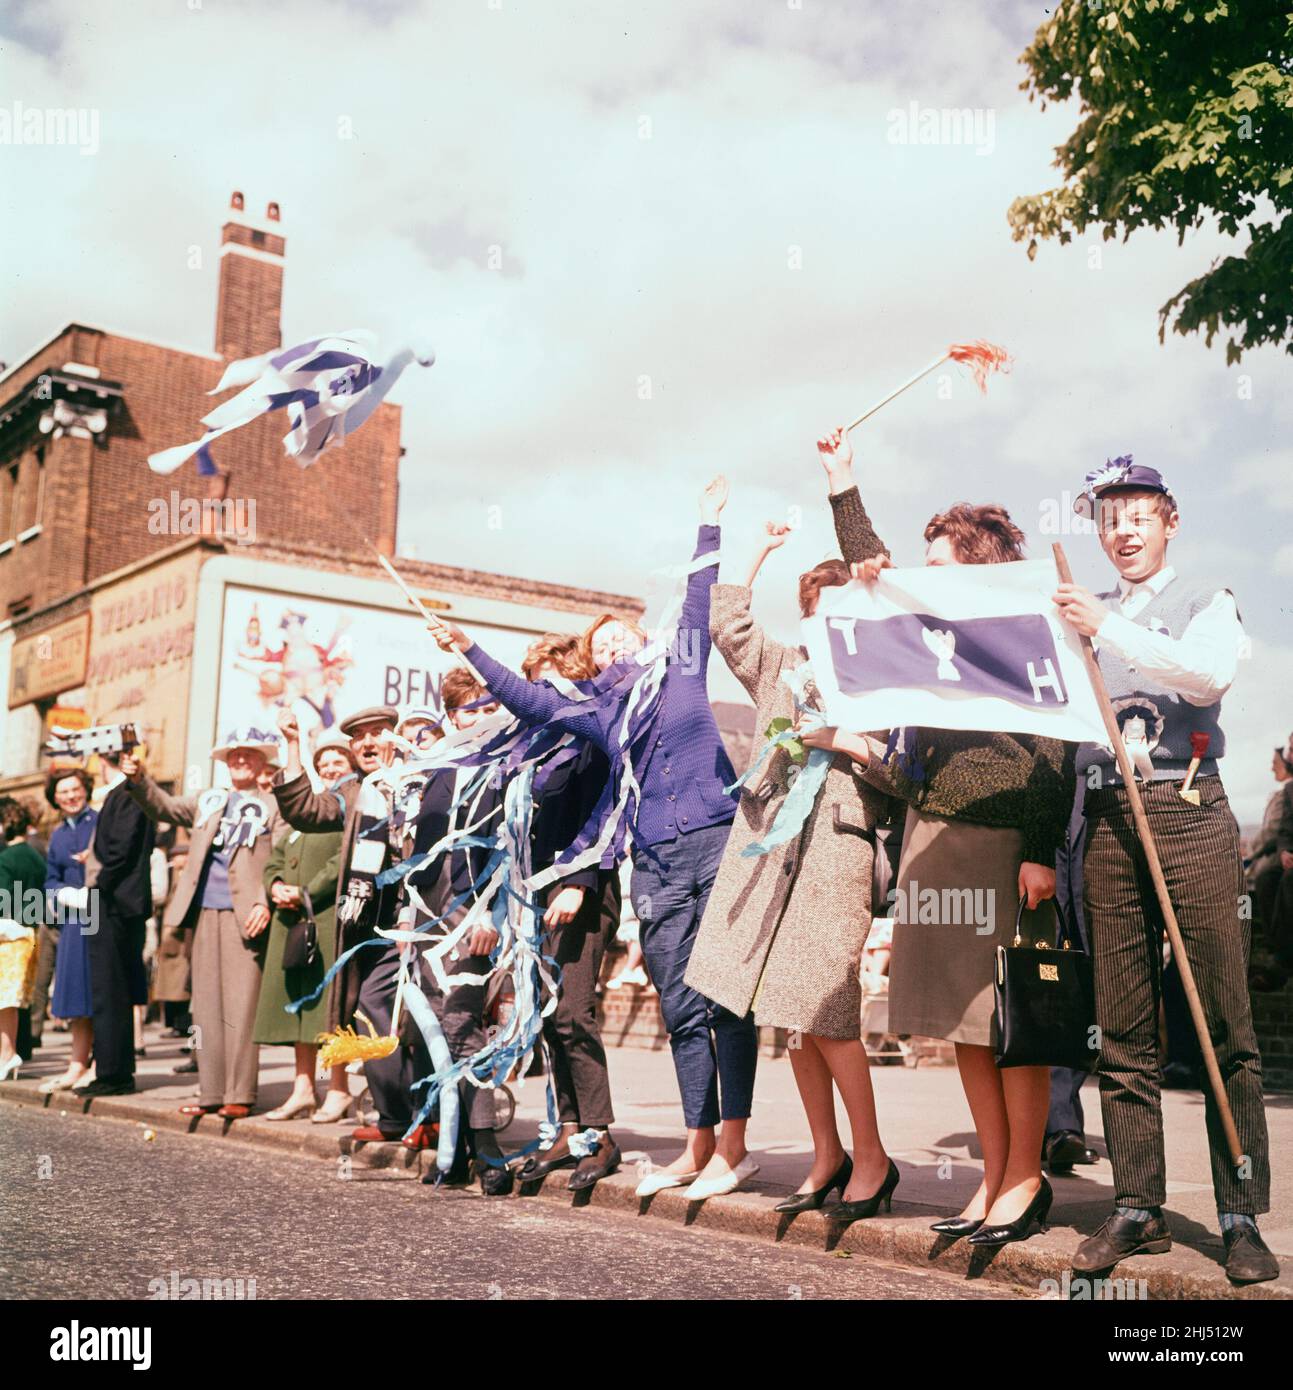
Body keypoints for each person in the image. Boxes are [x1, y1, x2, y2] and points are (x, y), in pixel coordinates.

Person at [429, 478, 760, 1201]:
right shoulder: (601, 713)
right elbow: (532, 699)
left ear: (643, 641)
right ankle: (695, 1144)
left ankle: (733, 1145)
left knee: (730, 1002)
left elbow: (699, 596)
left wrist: (708, 524)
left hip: (718, 842)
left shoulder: (682, 667)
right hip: (657, 865)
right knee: (680, 1006)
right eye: (597, 642)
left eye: (619, 633)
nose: (609, 641)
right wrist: (470, 648)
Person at [807, 428, 1075, 1247]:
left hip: (999, 845)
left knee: (1006, 1022)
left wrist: (1036, 847)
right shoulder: (927, 631)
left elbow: (1057, 745)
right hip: (931, 836)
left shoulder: (1026, 626)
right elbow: (875, 575)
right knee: (958, 1025)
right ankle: (992, 1178)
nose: (925, 574)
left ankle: (1024, 1182)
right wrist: (842, 484)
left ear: (982, 563)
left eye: (942, 560)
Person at [1053, 458, 1277, 1285]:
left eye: (1137, 514)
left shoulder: (1204, 599)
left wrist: (1104, 631)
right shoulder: (1086, 614)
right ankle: (1137, 1207)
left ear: (1168, 520)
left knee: (1223, 1021)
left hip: (1185, 810)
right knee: (1122, 1028)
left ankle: (1239, 1214)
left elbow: (1207, 675)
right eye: (1109, 517)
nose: (1121, 530)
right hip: (1107, 818)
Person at [685, 433, 898, 1221]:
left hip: (836, 854)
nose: (822, 622)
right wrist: (754, 551)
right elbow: (725, 623)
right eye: (813, 610)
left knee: (828, 1013)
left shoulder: (887, 686)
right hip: (767, 854)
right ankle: (826, 1155)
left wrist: (843, 741)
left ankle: (872, 1158)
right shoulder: (786, 670)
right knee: (789, 1021)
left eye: (835, 609)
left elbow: (906, 775)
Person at [272, 704, 434, 1147]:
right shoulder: (356, 792)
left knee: (416, 1018)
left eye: (377, 733)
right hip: (368, 929)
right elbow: (305, 809)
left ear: (396, 738)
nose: (366, 743)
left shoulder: (424, 781)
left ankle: (427, 1118)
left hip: (422, 923)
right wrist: (293, 745)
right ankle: (396, 1116)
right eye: (358, 737)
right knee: (369, 1010)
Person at [121, 729, 282, 1119]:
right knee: (205, 1005)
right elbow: (164, 808)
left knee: (241, 1005)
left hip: (247, 913)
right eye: (234, 755)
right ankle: (211, 1091)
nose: (240, 760)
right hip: (202, 910)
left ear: (262, 762)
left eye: (249, 755)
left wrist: (265, 900)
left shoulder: (276, 805)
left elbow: (282, 857)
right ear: (225, 762)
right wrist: (138, 778)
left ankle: (240, 1093)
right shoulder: (209, 800)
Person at [512, 633, 623, 1191]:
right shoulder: (544, 745)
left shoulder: (593, 737)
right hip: (540, 891)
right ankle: (569, 1125)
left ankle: (601, 1135)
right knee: (550, 1014)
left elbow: (604, 816)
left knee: (574, 1011)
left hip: (582, 890)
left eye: (550, 680)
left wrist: (578, 883)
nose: (541, 693)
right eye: (535, 685)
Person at [404, 669, 511, 1190]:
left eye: (490, 707)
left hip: (475, 913)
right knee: (435, 1029)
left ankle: (485, 1142)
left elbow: (510, 846)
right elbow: (422, 851)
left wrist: (488, 912)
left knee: (465, 1024)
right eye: (469, 710)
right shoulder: (441, 768)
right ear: (452, 718)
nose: (481, 718)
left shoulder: (507, 766)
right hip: (429, 915)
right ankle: (456, 1145)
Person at [254, 730, 355, 1122]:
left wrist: (307, 891)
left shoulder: (345, 810)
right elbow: (274, 858)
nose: (330, 769)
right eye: (324, 764)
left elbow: (342, 862)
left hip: (326, 920)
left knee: (329, 1010)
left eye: (337, 763)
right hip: (291, 924)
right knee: (299, 1008)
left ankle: (340, 1090)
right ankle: (302, 1090)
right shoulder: (301, 817)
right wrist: (275, 885)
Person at [79, 750, 155, 1097]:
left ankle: (113, 1073)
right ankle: (113, 1069)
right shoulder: (125, 793)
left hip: (112, 902)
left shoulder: (124, 792)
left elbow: (120, 850)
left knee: (109, 989)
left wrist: (97, 888)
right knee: (114, 989)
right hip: (117, 901)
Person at [40, 768, 98, 1093]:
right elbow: (50, 877)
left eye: (75, 789)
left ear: (85, 789)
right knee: (75, 991)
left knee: (98, 991)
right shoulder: (58, 833)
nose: (70, 796)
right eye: (63, 792)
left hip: (102, 914)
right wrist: (63, 894)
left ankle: (99, 1063)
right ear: (56, 798)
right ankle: (76, 1063)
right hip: (74, 917)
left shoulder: (99, 822)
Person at [0, 797, 45, 1081]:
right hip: (29, 932)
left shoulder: (5, 859)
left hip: (6, 934)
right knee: (11, 1001)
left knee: (4, 1000)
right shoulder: (37, 857)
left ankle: (6, 1053)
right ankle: (9, 1053)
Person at [1248, 736, 1293, 990]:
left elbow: (1273, 830)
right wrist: (1286, 850)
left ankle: (1282, 960)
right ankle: (1277, 948)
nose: (1289, 756)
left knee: (1287, 880)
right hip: (1288, 853)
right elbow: (1285, 829)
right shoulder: (1289, 791)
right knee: (1266, 877)